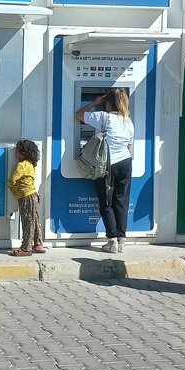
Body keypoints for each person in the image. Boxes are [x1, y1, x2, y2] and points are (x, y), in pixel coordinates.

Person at [75, 88, 134, 254]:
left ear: (107, 102)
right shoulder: (127, 120)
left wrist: (94, 103)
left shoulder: (103, 116)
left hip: (108, 164)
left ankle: (112, 240)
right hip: (126, 162)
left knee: (106, 202)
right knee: (121, 201)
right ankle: (121, 240)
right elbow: (128, 145)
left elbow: (78, 115)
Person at [7, 139, 45, 257]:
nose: (15, 153)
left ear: (22, 153)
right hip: (33, 195)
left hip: (25, 197)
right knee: (34, 220)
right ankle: (38, 243)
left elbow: (12, 180)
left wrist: (11, 187)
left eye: (17, 151)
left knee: (27, 222)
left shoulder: (20, 165)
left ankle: (26, 248)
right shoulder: (31, 165)